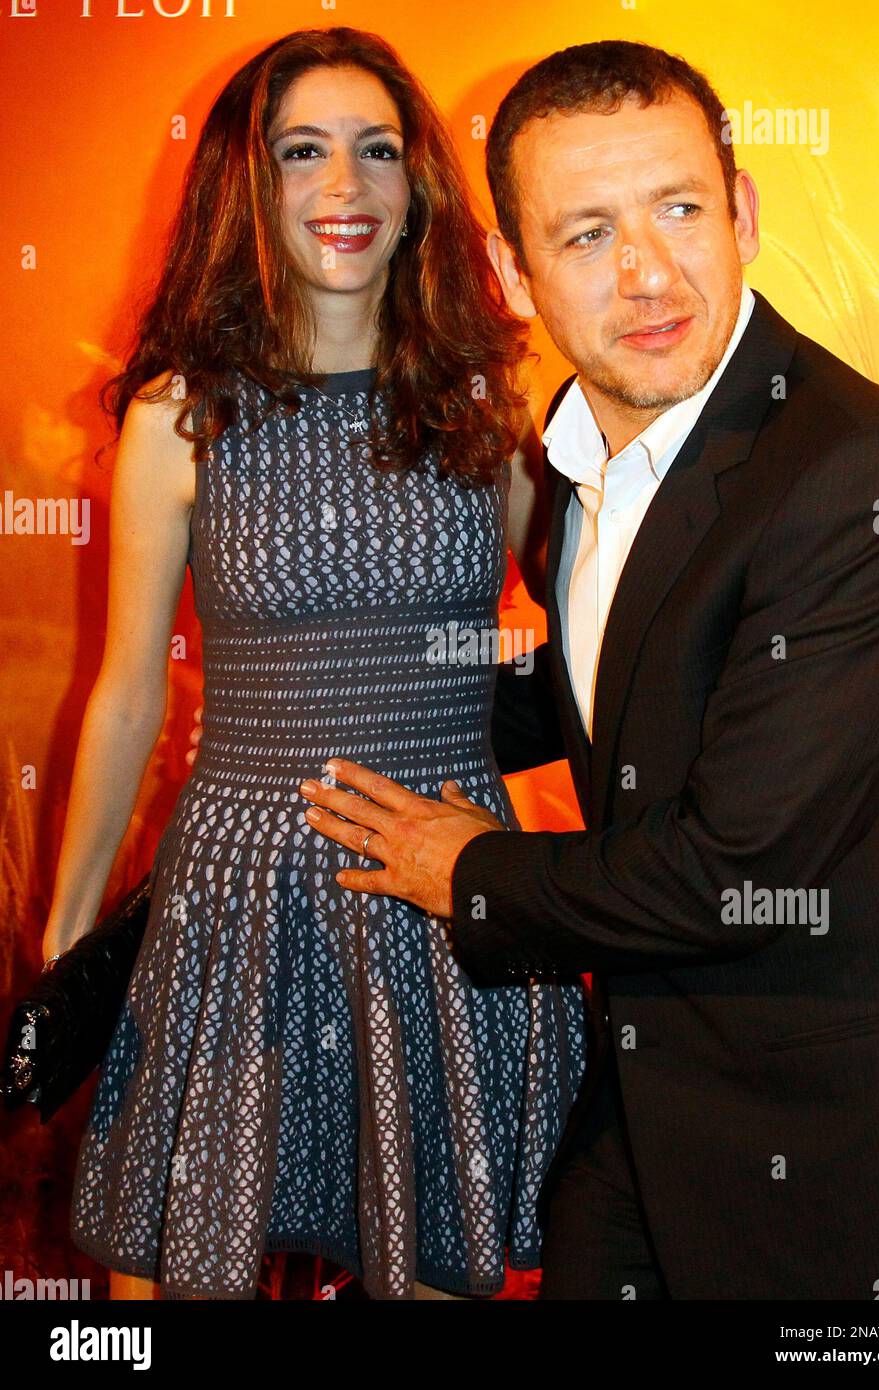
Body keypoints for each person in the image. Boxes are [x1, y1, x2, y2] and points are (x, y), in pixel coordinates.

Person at [299, 40, 879, 1299]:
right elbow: (608, 683)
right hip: (641, 1102)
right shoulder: (576, 457)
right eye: (589, 233)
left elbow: (737, 870)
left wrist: (467, 869)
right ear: (513, 268)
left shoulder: (857, 471)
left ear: (743, 211)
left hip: (830, 1141)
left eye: (678, 209)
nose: (650, 273)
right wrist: (367, 719)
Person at [42, 26, 586, 1302]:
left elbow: (587, 651)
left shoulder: (492, 407)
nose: (343, 188)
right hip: (239, 897)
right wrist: (67, 933)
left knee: (437, 1265)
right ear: (248, 181)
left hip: (440, 887)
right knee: (180, 1278)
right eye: (302, 152)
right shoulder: (181, 413)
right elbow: (125, 692)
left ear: (420, 191)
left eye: (376, 151)